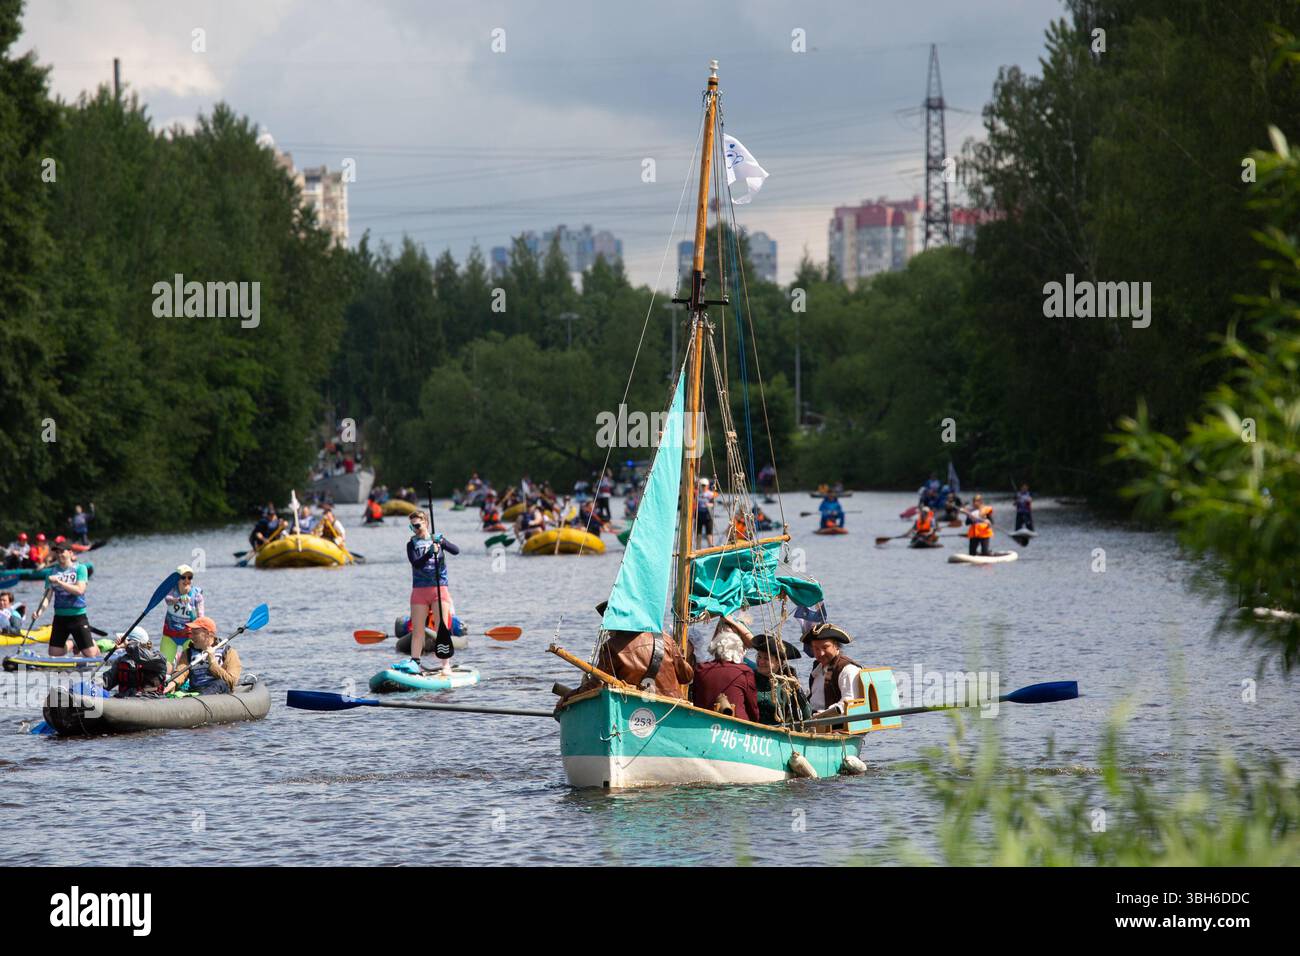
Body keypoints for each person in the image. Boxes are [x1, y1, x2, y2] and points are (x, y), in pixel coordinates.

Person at [566, 601, 694, 701]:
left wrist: (569, 696)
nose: (606, 627)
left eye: (609, 620)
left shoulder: (611, 647)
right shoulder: (666, 639)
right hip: (672, 710)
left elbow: (596, 685)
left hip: (634, 712)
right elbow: (687, 676)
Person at [406, 510, 460, 675]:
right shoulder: (411, 544)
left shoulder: (438, 540)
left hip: (439, 589)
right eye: (412, 526)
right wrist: (430, 552)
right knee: (417, 632)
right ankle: (415, 665)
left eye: (417, 525)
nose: (415, 529)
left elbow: (456, 550)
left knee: (441, 628)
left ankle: (446, 665)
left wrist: (442, 543)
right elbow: (416, 564)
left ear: (426, 523)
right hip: (419, 591)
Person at [691, 630, 759, 721]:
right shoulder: (745, 672)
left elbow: (696, 700)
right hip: (739, 727)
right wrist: (756, 724)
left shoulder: (701, 669)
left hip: (704, 722)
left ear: (715, 649)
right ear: (739, 650)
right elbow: (752, 708)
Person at [805, 622, 862, 731]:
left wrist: (823, 715)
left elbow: (849, 703)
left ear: (836, 645)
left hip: (835, 727)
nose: (820, 653)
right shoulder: (817, 669)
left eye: (825, 647)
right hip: (813, 723)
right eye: (816, 648)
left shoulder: (847, 669)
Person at [45, 543, 97, 658]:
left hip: (77, 616)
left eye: (62, 552)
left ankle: (92, 645)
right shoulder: (51, 572)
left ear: (70, 553)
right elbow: (47, 596)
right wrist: (38, 611)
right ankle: (72, 643)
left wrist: (59, 582)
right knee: (54, 654)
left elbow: (80, 590)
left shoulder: (80, 568)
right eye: (57, 552)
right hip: (59, 617)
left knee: (91, 654)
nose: (59, 555)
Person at [166, 617, 241, 695]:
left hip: (219, 691)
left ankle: (201, 697)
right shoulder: (188, 653)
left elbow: (231, 681)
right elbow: (181, 672)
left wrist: (212, 663)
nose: (191, 637)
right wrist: (173, 682)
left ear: (208, 634)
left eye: (195, 633)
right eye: (191, 633)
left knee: (220, 683)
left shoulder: (228, 652)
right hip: (196, 690)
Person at [750, 633, 811, 725]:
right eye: (759, 657)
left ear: (778, 662)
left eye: (766, 658)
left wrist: (797, 689)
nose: (761, 661)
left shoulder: (785, 685)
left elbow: (805, 716)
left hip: (777, 733)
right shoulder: (748, 678)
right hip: (749, 731)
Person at [102, 628, 168, 697]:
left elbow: (145, 657)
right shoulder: (121, 661)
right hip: (125, 700)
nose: (123, 644)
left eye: (127, 641)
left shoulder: (158, 658)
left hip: (150, 699)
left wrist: (129, 646)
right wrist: (94, 685)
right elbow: (107, 680)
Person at [161, 564, 204, 667]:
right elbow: (167, 600)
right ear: (177, 579)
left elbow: (201, 617)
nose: (186, 580)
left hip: (189, 636)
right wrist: (178, 599)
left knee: (189, 666)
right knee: (164, 665)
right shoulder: (172, 591)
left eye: (189, 577)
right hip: (170, 635)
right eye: (183, 577)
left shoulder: (197, 595)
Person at [696, 477, 715, 547]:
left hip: (708, 515)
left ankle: (711, 546)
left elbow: (713, 504)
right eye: (702, 485)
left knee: (709, 533)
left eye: (704, 485)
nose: (703, 487)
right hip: (699, 515)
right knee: (698, 533)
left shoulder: (711, 494)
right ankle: (698, 547)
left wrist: (709, 505)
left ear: (707, 486)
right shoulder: (697, 494)